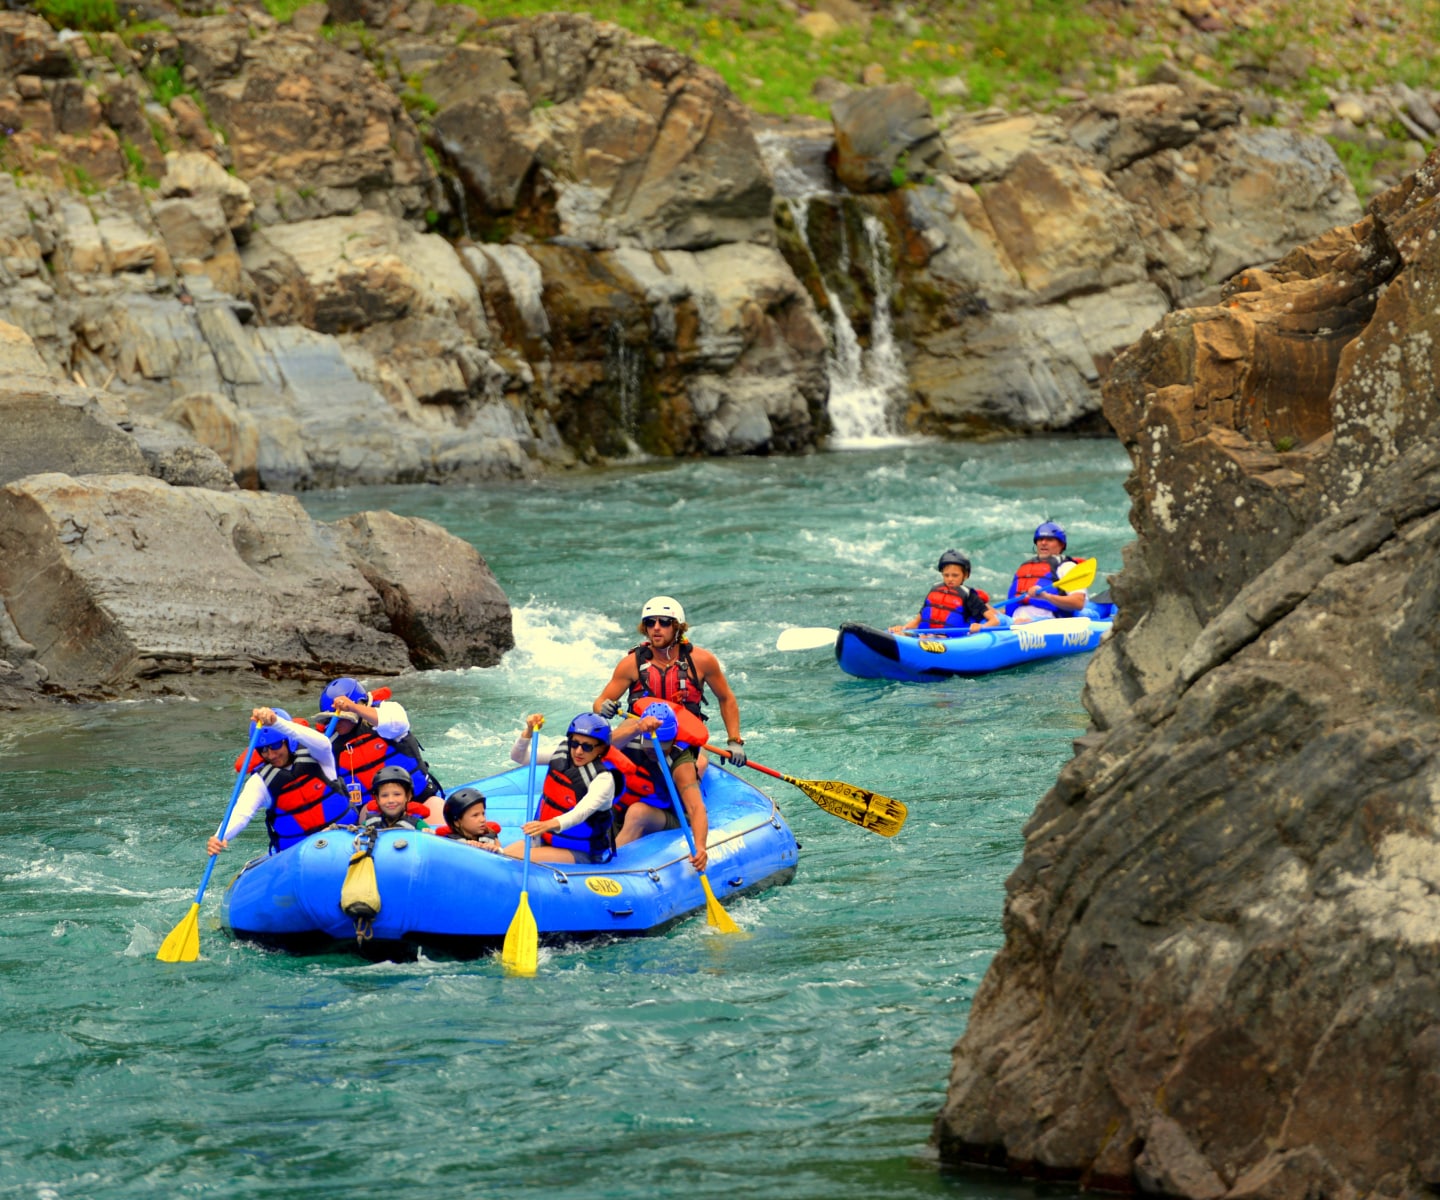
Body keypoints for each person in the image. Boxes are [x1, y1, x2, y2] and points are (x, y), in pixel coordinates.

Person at [593, 595, 747, 769]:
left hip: (684, 737)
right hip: (641, 733)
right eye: (650, 623)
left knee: (698, 766)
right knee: (605, 754)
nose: (656, 628)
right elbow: (599, 702)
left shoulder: (702, 661)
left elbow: (726, 698)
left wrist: (735, 741)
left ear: (677, 627)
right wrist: (604, 707)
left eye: (664, 622)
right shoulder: (631, 664)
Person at [503, 711, 661, 865]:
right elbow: (520, 757)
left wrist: (547, 824)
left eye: (587, 747)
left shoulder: (604, 779)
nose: (578, 751)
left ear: (600, 749)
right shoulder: (563, 754)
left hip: (581, 852)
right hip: (546, 837)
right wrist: (529, 732)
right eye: (575, 743)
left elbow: (581, 812)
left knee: (513, 858)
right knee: (503, 856)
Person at [206, 706, 350, 857]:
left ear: (289, 741)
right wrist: (220, 837)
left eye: (275, 745)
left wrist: (276, 723)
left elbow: (322, 742)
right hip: (301, 855)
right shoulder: (261, 781)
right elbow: (241, 813)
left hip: (345, 840)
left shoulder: (320, 756)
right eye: (263, 750)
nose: (271, 755)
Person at [318, 678, 445, 824]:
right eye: (332, 719)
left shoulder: (389, 711)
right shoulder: (328, 743)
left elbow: (396, 723)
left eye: (341, 717)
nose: (336, 723)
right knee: (366, 813)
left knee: (436, 805)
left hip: (420, 799)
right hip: (376, 809)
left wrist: (353, 708)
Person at [610, 700, 712, 871]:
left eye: (661, 747)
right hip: (625, 801)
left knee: (638, 812)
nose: (653, 750)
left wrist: (700, 847)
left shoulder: (681, 762)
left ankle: (611, 869)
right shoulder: (632, 729)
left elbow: (696, 808)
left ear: (672, 741)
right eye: (648, 745)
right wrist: (636, 729)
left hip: (667, 812)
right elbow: (600, 747)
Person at [889, 550, 999, 636]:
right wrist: (902, 629)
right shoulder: (935, 590)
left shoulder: (969, 596)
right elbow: (917, 621)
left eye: (955, 575)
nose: (950, 579)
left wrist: (981, 627)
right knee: (900, 634)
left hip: (950, 640)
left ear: (965, 575)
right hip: (925, 636)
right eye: (946, 575)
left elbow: (994, 621)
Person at [1007, 521, 1086, 624]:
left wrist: (1046, 596)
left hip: (1048, 622)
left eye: (1049, 539)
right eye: (1040, 539)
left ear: (1061, 544)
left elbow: (1078, 602)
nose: (1043, 543)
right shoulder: (1025, 567)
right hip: (1013, 622)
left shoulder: (1067, 567)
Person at [358, 764, 431, 832]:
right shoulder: (369, 822)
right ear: (377, 799)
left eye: (397, 794)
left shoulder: (417, 825)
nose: (391, 800)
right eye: (384, 795)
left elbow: (430, 839)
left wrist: (428, 833)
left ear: (408, 796)